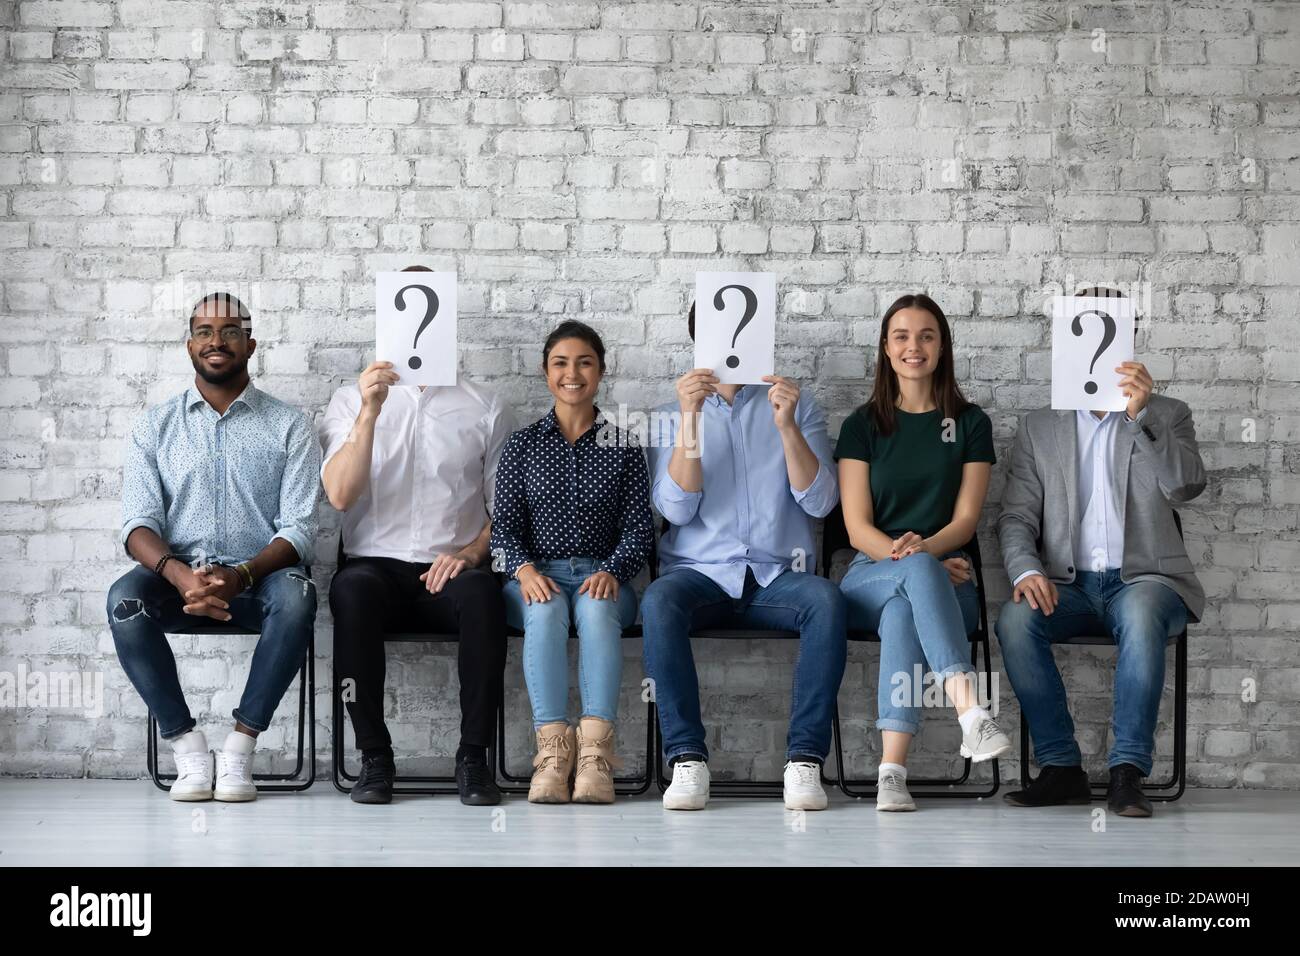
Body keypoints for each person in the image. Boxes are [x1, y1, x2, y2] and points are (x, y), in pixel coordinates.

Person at [997, 288, 1207, 818]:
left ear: (1130, 338)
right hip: (1067, 585)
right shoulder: (1039, 427)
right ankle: (1061, 767)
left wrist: (1141, 418)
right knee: (1015, 621)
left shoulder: (1169, 413)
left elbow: (1185, 488)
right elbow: (1017, 517)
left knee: (1138, 614)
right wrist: (1025, 569)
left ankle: (1127, 771)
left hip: (1145, 580)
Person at [109, 292, 320, 802]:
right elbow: (137, 525)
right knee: (124, 600)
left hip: (259, 580)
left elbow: (298, 529)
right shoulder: (155, 426)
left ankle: (239, 750)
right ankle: (187, 748)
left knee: (298, 597)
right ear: (189, 345)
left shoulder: (289, 425)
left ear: (250, 343)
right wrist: (181, 575)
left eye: (229, 331)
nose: (216, 341)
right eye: (204, 331)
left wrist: (241, 575)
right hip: (177, 580)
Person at [320, 266, 516, 807]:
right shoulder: (348, 400)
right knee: (351, 592)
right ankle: (374, 757)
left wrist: (473, 553)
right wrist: (369, 412)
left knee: (483, 596)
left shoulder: (485, 405)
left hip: (450, 567)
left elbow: (507, 510)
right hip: (373, 566)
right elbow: (339, 495)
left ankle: (474, 758)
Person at [641, 303, 846, 812]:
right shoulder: (670, 417)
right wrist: (690, 416)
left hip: (779, 576)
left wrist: (787, 426)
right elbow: (677, 509)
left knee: (827, 600)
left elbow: (820, 502)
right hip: (698, 574)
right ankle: (687, 759)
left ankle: (804, 761)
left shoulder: (800, 406)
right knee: (659, 602)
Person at [836, 294, 1012, 811]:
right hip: (871, 572)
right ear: (886, 350)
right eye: (902, 336)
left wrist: (927, 557)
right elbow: (855, 527)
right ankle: (971, 714)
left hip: (946, 580)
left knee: (901, 616)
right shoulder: (862, 425)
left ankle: (891, 773)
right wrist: (920, 559)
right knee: (901, 590)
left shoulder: (972, 423)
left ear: (942, 347)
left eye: (927, 336)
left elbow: (965, 520)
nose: (914, 346)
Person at [490, 321, 653, 805]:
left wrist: (613, 570)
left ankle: (595, 758)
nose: (572, 373)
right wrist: (524, 570)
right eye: (561, 363)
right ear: (546, 373)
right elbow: (502, 533)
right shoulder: (522, 446)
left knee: (599, 612)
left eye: (584, 362)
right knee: (544, 612)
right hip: (536, 576)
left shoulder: (623, 445)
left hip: (606, 576)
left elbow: (640, 530)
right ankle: (553, 756)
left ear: (600, 372)